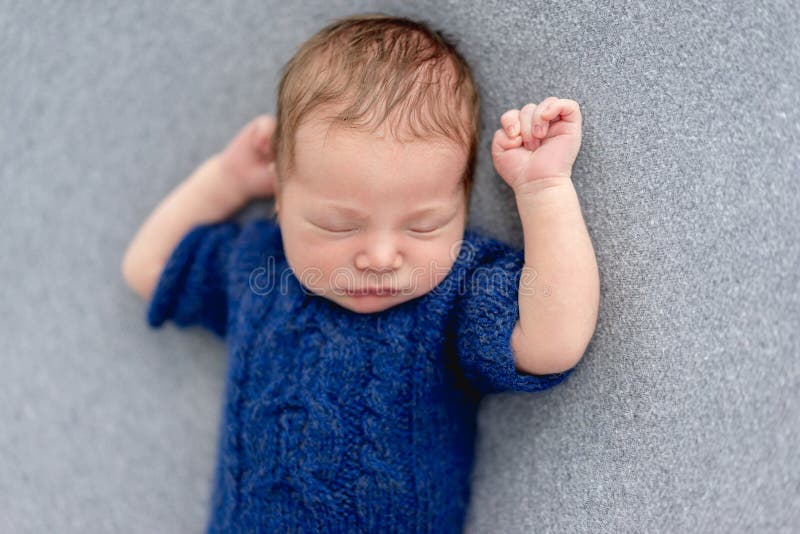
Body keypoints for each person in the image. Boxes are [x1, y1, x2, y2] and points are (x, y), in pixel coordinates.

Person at [121, 12, 599, 533]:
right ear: (280, 197)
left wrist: (543, 191)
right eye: (336, 225)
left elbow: (554, 340)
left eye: (423, 227)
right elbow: (147, 268)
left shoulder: (455, 295)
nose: (379, 257)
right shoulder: (257, 268)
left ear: (461, 204)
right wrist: (225, 181)